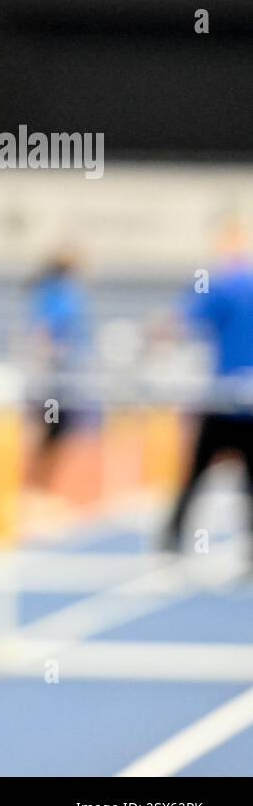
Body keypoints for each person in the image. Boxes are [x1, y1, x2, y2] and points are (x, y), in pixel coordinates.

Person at [163, 218, 253, 559]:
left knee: (196, 473)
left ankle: (173, 540)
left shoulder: (222, 285)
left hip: (223, 398)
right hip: (240, 402)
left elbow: (183, 323)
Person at [22, 248, 95, 493]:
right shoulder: (58, 294)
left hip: (63, 375)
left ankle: (40, 484)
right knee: (52, 428)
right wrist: (47, 363)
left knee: (57, 430)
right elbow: (44, 331)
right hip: (54, 377)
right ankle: (36, 485)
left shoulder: (61, 293)